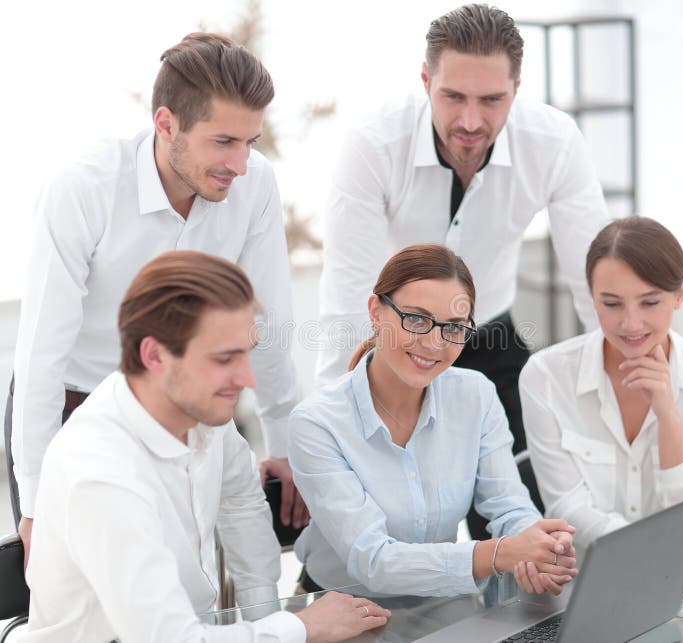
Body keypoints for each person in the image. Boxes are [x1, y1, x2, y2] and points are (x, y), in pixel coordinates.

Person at [9, 33, 305, 563]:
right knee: (79, 598)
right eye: (223, 142)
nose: (240, 164)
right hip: (74, 410)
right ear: (166, 124)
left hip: (181, 411)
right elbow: (40, 355)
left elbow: (270, 322)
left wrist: (283, 443)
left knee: (180, 583)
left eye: (250, 143)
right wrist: (35, 501)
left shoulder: (255, 186)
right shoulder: (83, 189)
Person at [20, 251, 390, 643]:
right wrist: (300, 627)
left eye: (246, 353)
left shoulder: (201, 412)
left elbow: (243, 504)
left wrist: (268, 617)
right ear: (154, 355)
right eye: (224, 358)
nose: (246, 378)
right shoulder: (101, 471)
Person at [315, 4, 610, 466]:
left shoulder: (554, 143)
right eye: (453, 97)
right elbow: (347, 292)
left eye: (492, 100)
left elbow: (597, 280)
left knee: (526, 516)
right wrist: (331, 431)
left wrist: (626, 396)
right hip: (398, 348)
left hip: (492, 339)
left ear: (516, 89)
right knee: (393, 508)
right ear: (425, 81)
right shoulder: (374, 144)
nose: (471, 122)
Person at [289, 244, 578, 598]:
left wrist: (541, 546)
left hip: (438, 604)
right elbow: (374, 561)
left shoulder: (476, 396)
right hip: (336, 606)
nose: (434, 343)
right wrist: (502, 553)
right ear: (376, 312)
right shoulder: (317, 422)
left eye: (453, 327)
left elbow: (508, 503)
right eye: (416, 319)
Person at [520, 217, 683, 556]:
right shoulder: (546, 376)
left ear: (680, 293)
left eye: (650, 302)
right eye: (612, 304)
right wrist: (653, 547)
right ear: (592, 298)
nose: (631, 323)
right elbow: (566, 505)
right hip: (581, 579)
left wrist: (667, 414)